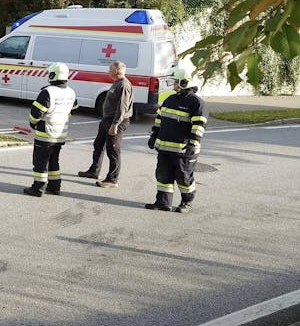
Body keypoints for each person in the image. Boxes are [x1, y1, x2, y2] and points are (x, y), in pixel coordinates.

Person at [146, 68, 207, 213]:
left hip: (183, 150)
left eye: (175, 82)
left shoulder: (196, 103)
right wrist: (154, 135)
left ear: (184, 83)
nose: (173, 85)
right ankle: (163, 202)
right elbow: (159, 119)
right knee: (162, 175)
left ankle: (187, 202)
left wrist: (193, 143)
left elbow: (199, 125)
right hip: (165, 148)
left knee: (184, 178)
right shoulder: (169, 99)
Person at [24, 62, 78, 197]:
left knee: (40, 162)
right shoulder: (71, 92)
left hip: (45, 133)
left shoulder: (47, 92)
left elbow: (36, 113)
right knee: (54, 160)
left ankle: (38, 188)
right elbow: (74, 109)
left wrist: (33, 123)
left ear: (53, 75)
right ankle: (55, 186)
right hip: (61, 134)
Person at [78, 60, 134, 188]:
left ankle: (112, 179)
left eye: (110, 69)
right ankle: (94, 171)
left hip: (116, 121)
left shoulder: (124, 85)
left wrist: (115, 124)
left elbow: (122, 107)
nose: (108, 71)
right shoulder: (116, 83)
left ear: (116, 71)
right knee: (98, 145)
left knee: (113, 150)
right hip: (107, 119)